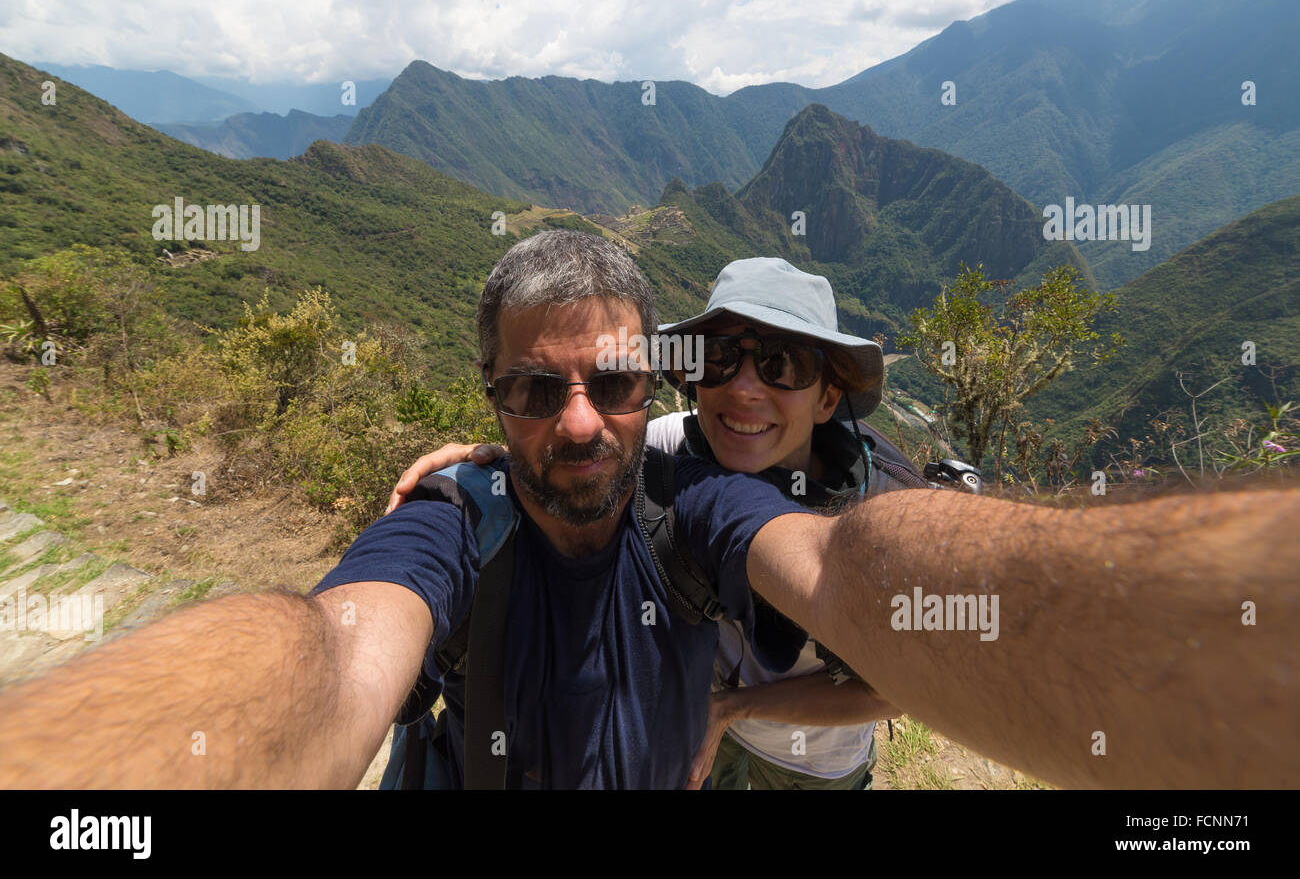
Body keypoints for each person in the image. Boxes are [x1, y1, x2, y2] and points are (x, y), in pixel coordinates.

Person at [0, 229, 1296, 789]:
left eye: (610, 383)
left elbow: (853, 572)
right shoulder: (460, 516)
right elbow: (334, 655)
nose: (576, 421)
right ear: (494, 395)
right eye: (532, 389)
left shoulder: (706, 502)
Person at [391, 258, 912, 790]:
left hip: (810, 756)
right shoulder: (668, 447)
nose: (745, 389)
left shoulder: (875, 514)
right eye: (720, 358)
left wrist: (735, 707)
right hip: (702, 720)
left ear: (827, 397)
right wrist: (494, 470)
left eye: (785, 364)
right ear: (692, 379)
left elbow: (888, 691)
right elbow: (587, 451)